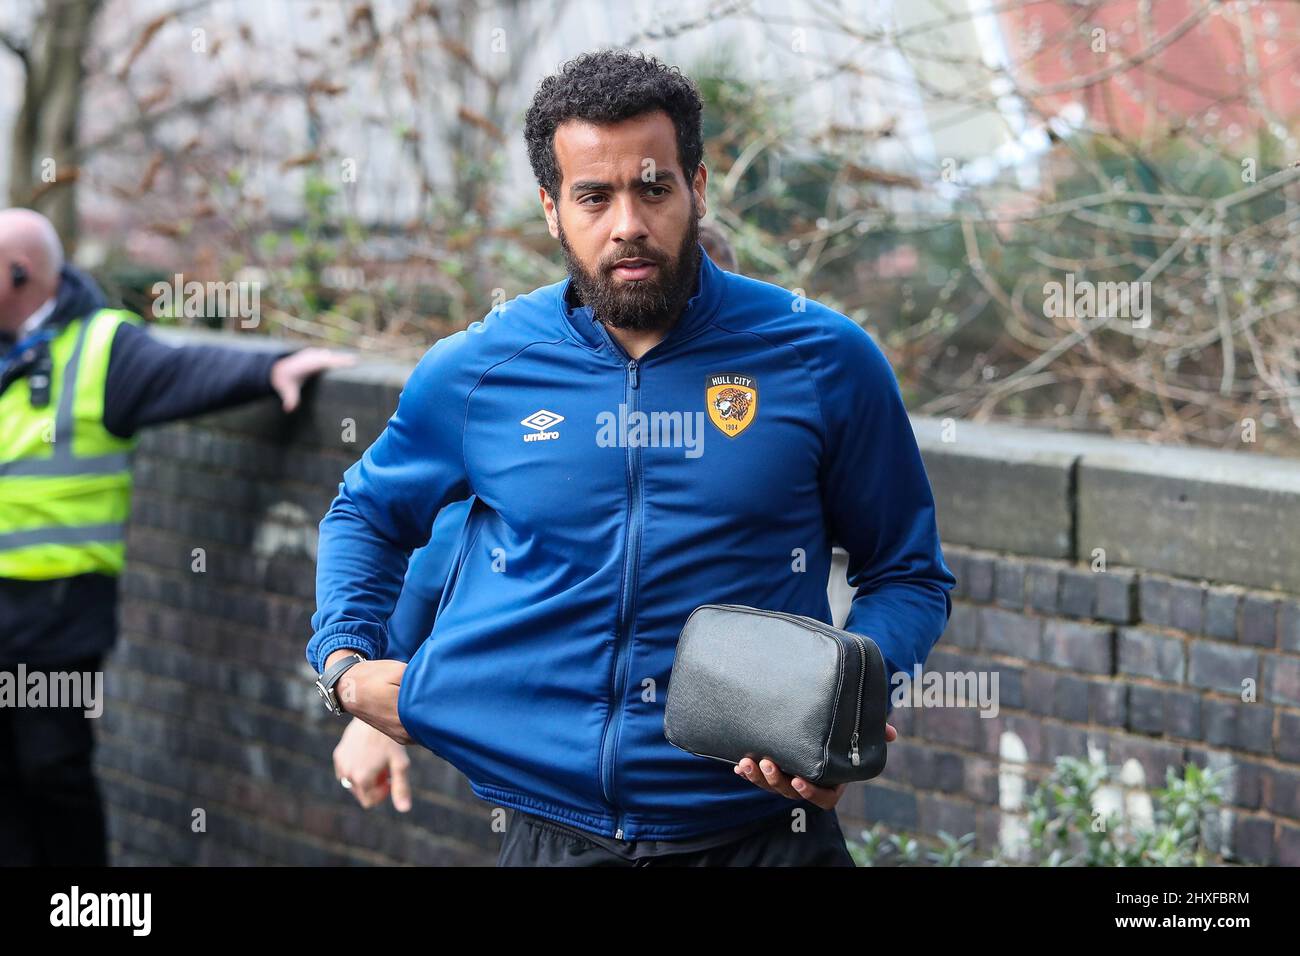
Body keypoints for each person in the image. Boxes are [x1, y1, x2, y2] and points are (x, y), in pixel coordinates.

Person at [307, 49, 954, 867]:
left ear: (698, 188)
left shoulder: (822, 358)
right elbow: (369, 512)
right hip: (548, 836)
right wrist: (345, 664)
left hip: (762, 838)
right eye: (593, 196)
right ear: (551, 208)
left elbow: (908, 572)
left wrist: (843, 709)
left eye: (653, 188)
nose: (628, 224)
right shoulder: (480, 371)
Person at [331, 228, 743, 812]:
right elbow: (432, 555)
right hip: (552, 782)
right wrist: (368, 681)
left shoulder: (768, 388)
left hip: (726, 788)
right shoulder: (529, 382)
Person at [0, 207, 352, 865]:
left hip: (56, 611)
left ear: (19, 274)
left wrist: (274, 365)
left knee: (52, 768)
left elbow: (182, 371)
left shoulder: (101, 347)